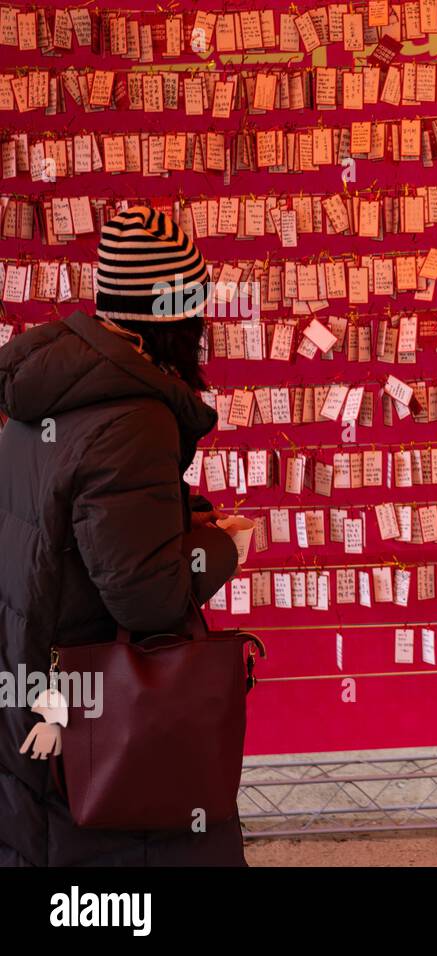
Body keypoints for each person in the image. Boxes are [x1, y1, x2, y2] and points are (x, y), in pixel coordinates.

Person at [0, 205, 243, 865]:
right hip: (105, 716)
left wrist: (175, 513)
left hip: (36, 691)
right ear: (174, 319)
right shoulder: (135, 418)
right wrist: (229, 546)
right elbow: (149, 599)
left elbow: (68, 524)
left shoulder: (42, 399)